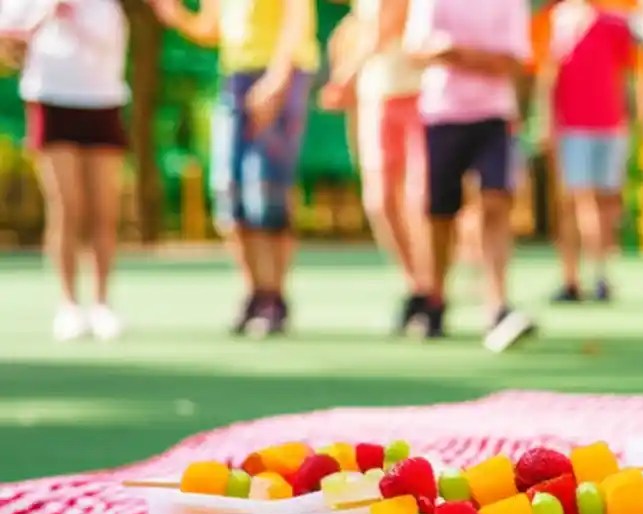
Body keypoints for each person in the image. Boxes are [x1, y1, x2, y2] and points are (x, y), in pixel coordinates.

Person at [148, 0, 319, 337]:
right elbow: (212, 30)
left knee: (267, 186)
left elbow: (296, 18)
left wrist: (277, 77)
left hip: (278, 73)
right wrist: (176, 16)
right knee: (229, 188)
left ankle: (274, 295)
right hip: (235, 77)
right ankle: (255, 292)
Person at [403, 0, 535, 351]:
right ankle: (435, 299)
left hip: (494, 116)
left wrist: (457, 53)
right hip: (443, 115)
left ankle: (497, 304)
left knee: (496, 201)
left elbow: (511, 60)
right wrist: (477, 58)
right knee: (440, 212)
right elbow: (417, 47)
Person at [0, 0, 129, 341]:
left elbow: (109, 44)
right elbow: (7, 47)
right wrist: (33, 25)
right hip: (51, 101)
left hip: (103, 102)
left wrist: (72, 16)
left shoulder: (106, 7)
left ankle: (102, 304)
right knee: (66, 206)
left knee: (103, 208)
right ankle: (68, 304)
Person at [320, 0, 430, 334]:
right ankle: (416, 287)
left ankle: (431, 289)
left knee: (419, 198)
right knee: (379, 199)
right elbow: (359, 25)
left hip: (420, 93)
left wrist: (345, 75)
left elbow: (389, 22)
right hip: (376, 97)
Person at [541, 0, 638, 303]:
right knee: (576, 201)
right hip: (573, 126)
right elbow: (549, 75)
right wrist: (547, 122)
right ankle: (573, 278)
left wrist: (632, 120)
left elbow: (627, 76)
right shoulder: (557, 19)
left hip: (610, 125)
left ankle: (600, 274)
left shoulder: (615, 25)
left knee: (604, 202)